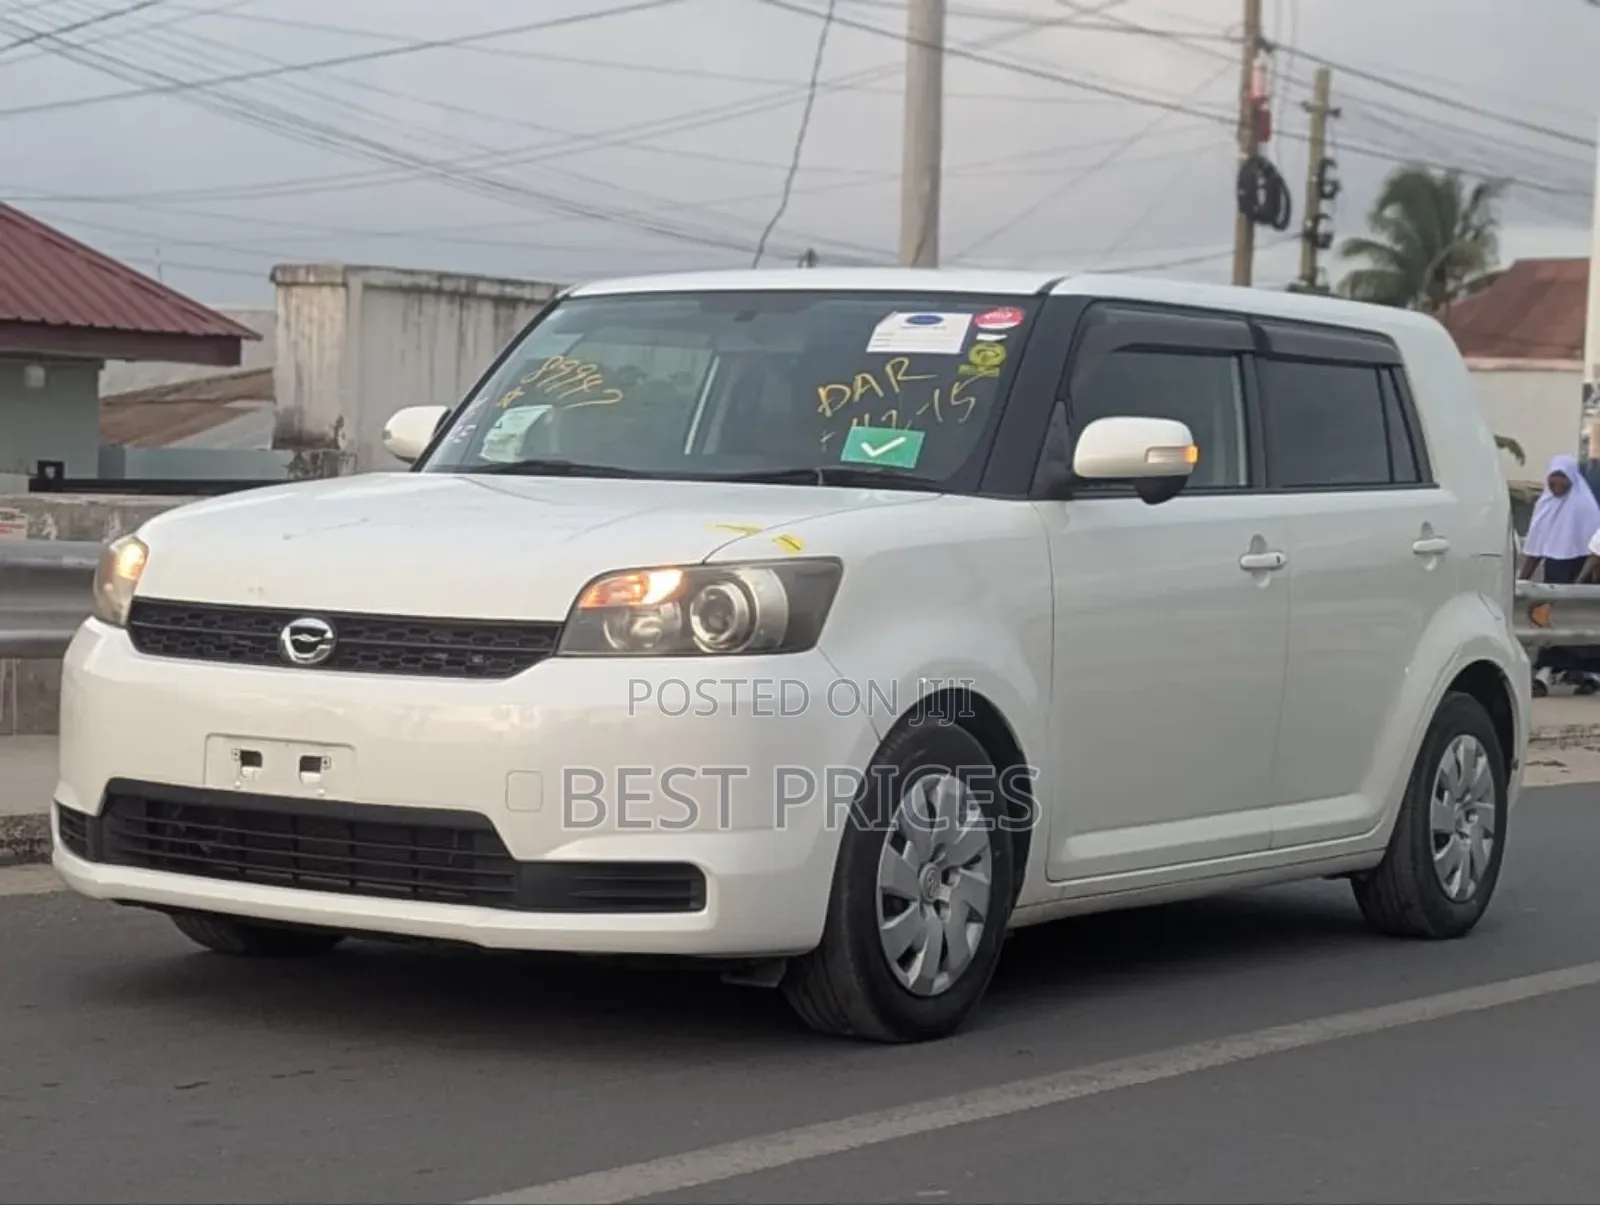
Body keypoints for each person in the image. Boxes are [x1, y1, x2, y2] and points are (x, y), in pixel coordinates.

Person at [1521, 454, 1600, 695]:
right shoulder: (1545, 504)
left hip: (1583, 572)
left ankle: (1588, 674)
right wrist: (1523, 580)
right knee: (1550, 622)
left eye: (1561, 478)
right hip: (1554, 575)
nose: (1556, 483)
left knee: (1581, 622)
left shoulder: (1584, 506)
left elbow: (1595, 548)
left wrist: (1581, 580)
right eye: (1552, 478)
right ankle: (1545, 672)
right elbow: (1535, 546)